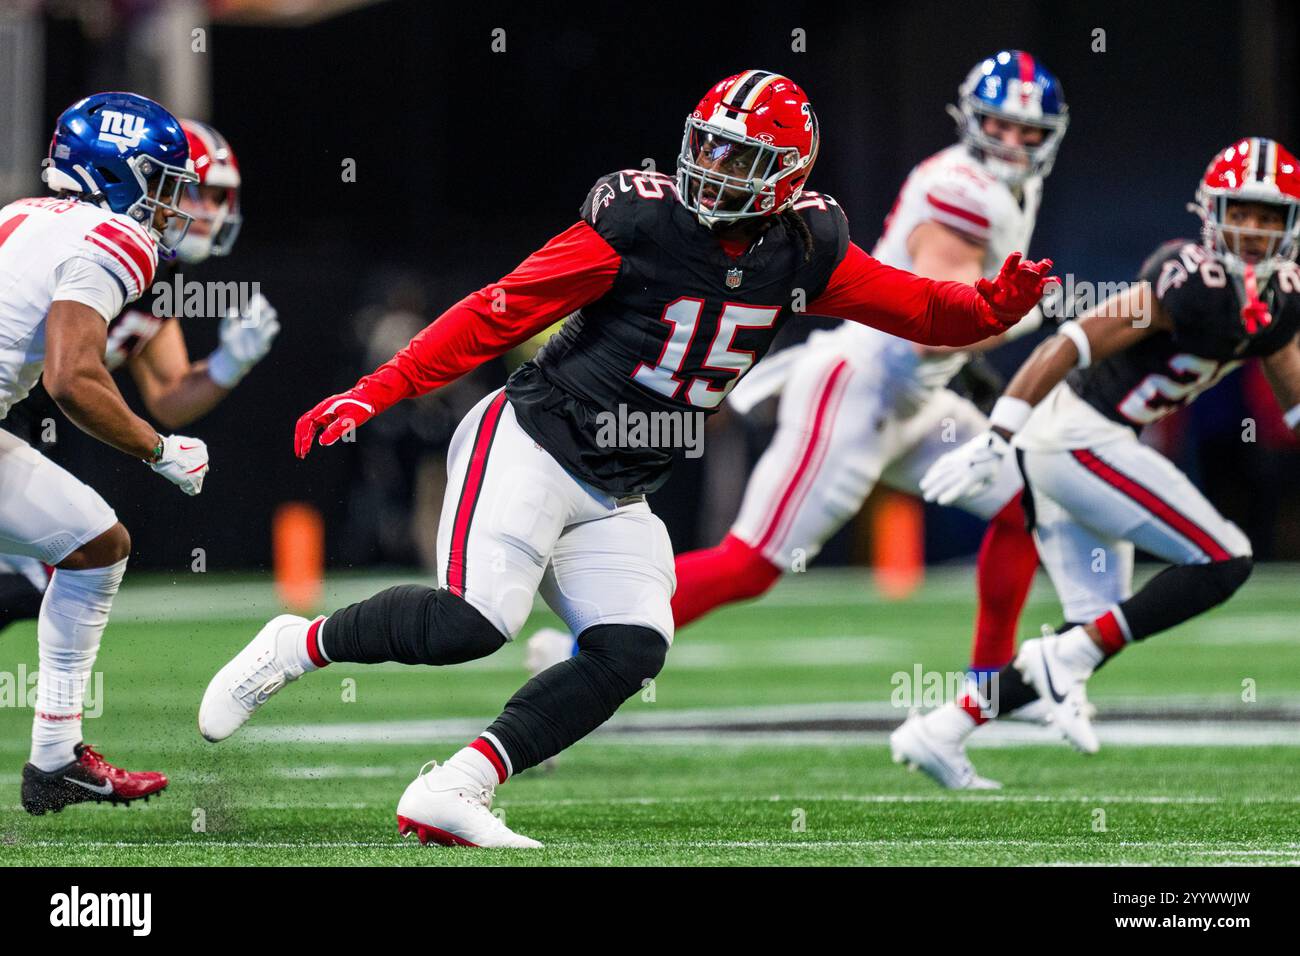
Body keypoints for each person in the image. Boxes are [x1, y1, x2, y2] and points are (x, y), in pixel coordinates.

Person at [199, 71, 1054, 846]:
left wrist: (990, 307)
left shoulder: (805, 247)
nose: (714, 168)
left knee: (631, 649)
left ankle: (458, 786)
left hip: (620, 487)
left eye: (741, 157)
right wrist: (381, 387)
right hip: (534, 439)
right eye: (710, 145)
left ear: (787, 180)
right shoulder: (639, 220)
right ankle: (295, 645)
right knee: (475, 622)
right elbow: (497, 310)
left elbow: (920, 310)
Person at [527, 50, 1066, 683]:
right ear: (969, 119)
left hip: (913, 403)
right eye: (997, 124)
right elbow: (939, 332)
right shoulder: (963, 191)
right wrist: (1031, 316)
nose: (1009, 141)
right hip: (861, 390)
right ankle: (570, 654)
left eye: (1025, 130)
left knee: (1027, 499)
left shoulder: (1008, 188)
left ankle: (988, 686)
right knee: (750, 565)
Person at [893, 137, 1300, 789]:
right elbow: (1072, 341)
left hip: (1094, 442)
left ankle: (940, 730)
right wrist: (999, 433)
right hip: (1075, 437)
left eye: (1269, 216)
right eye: (1241, 211)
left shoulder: (1282, 295)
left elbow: (1293, 392)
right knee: (1226, 558)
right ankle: (1057, 662)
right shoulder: (1185, 277)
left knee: (1091, 635)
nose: (1252, 230)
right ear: (1211, 210)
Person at [0, 92, 211, 814]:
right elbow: (72, 377)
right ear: (113, 171)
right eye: (157, 180)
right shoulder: (115, 238)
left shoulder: (21, 215)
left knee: (95, 542)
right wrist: (159, 449)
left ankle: (56, 757)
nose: (168, 201)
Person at [0, 118, 277, 633]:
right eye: (195, 191)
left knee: (69, 562)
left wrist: (226, 365)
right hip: (16, 421)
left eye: (219, 199)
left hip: (24, 433)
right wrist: (160, 451)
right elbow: (71, 375)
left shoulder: (157, 276)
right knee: (60, 566)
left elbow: (169, 396)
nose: (208, 211)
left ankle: (57, 716)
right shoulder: (92, 244)